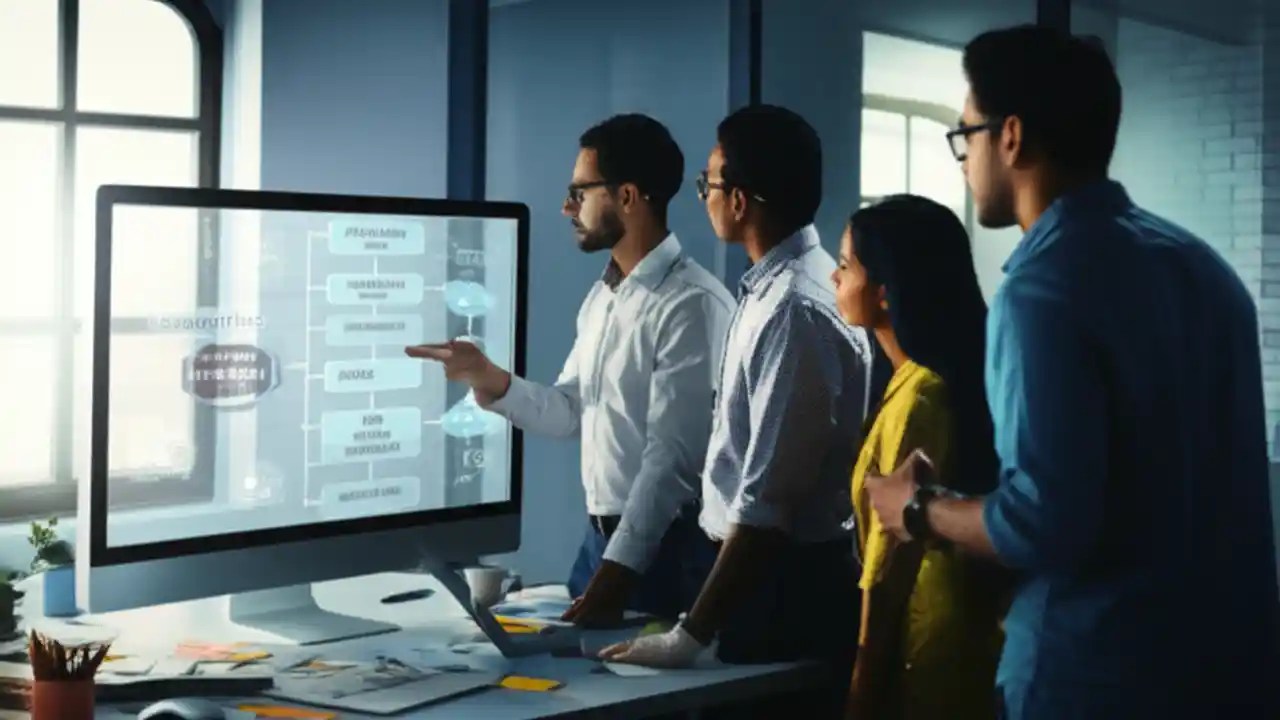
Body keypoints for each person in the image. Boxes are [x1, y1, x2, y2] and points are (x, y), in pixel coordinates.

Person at [863, 25, 1280, 719]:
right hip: (1229, 672)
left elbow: (1045, 523)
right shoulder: (1202, 268)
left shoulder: (1041, 288)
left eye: (967, 135)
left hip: (1093, 676)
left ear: (1012, 136)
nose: (964, 158)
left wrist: (917, 509)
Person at [406, 114, 734, 627]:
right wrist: (487, 377)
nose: (566, 207)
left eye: (579, 192)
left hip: (665, 555)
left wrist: (615, 575)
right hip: (598, 548)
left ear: (627, 197)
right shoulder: (603, 297)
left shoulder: (692, 304)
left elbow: (672, 461)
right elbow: (568, 412)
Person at [600, 104, 874, 718]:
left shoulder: (793, 310)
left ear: (743, 201)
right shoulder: (775, 288)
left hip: (781, 588)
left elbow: (766, 503)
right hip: (759, 578)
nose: (704, 196)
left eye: (710, 184)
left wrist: (689, 634)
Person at [833, 195, 1004, 720]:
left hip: (925, 638)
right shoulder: (910, 379)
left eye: (845, 266)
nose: (835, 280)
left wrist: (862, 690)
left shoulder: (921, 394)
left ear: (885, 291)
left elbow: (889, 569)